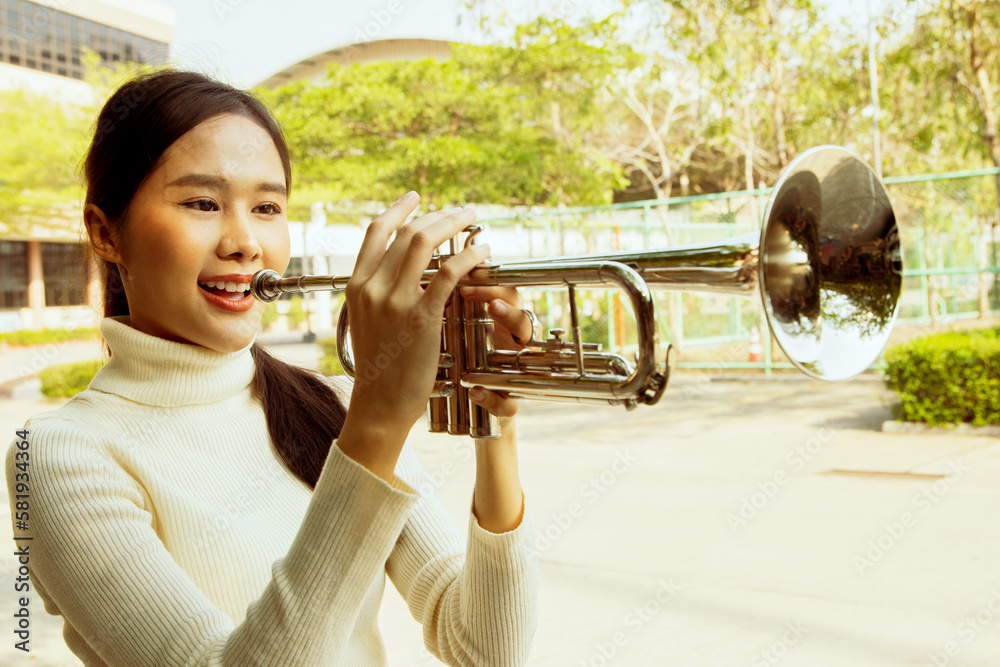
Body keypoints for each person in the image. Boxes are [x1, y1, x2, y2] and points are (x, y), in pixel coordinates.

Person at [6, 69, 539, 666]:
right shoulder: (61, 455)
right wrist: (378, 422)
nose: (244, 242)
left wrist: (496, 419)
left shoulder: (330, 404)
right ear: (106, 233)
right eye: (202, 203)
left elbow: (487, 647)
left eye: (266, 206)